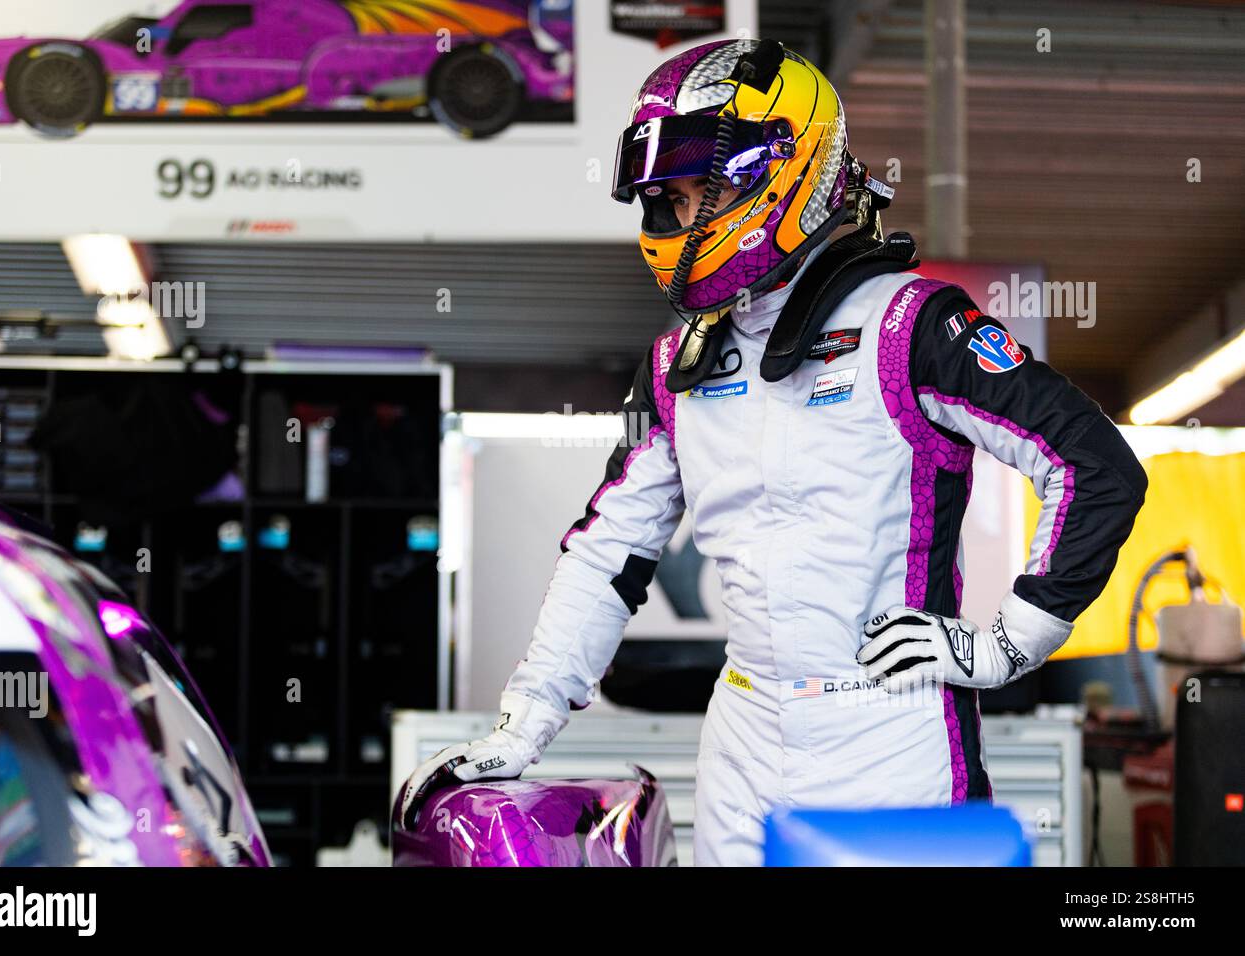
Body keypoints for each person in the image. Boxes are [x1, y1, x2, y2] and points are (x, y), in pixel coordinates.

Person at [399, 38, 1147, 865]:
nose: (682, 221)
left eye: (703, 193)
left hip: (891, 736)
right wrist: (524, 723)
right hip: (743, 737)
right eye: (669, 200)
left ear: (786, 171)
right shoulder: (674, 365)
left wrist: (1011, 641)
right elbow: (606, 551)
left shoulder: (912, 325)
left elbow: (1095, 465)